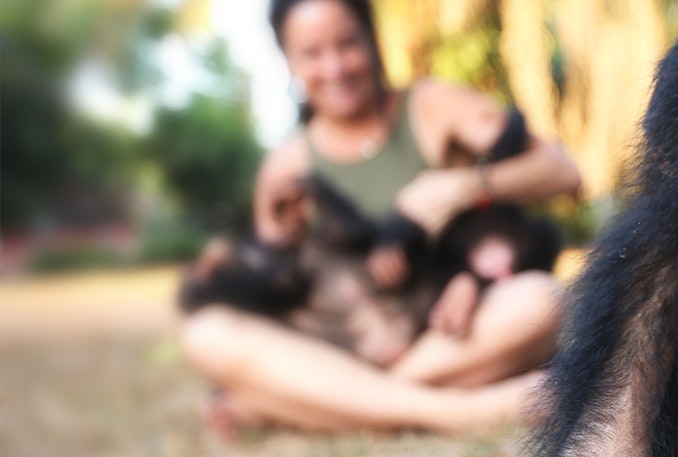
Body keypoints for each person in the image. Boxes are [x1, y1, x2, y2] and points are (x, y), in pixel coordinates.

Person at [179, 0, 581, 436]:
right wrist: (275, 243)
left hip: (443, 333)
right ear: (288, 61)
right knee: (206, 332)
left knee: (541, 301)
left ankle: (307, 406)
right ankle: (462, 410)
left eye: (347, 44)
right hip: (342, 345)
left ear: (372, 39)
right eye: (312, 53)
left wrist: (467, 186)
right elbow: (276, 306)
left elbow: (564, 172)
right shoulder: (285, 167)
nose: (334, 68)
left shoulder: (431, 105)